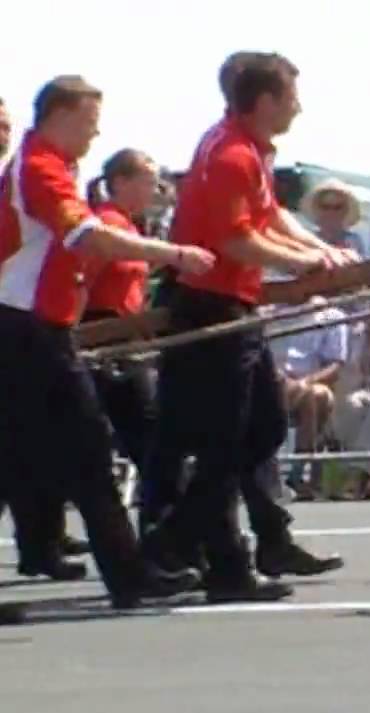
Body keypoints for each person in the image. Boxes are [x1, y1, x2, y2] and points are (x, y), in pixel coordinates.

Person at [141, 54, 348, 603]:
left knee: (261, 429)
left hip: (236, 305)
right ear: (264, 102)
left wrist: (319, 248)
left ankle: (199, 544)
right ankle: (194, 550)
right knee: (226, 442)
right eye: (291, 97)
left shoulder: (245, 149)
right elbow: (234, 241)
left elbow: (268, 215)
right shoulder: (232, 154)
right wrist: (302, 265)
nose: (298, 107)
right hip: (213, 306)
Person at [0, 75, 205, 608]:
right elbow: (87, 236)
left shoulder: (48, 167)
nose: (95, 135)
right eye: (90, 123)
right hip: (26, 329)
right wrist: (175, 254)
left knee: (39, 454)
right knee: (84, 449)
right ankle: (130, 577)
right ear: (62, 117)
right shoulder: (41, 169)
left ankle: (128, 574)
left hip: (36, 327)